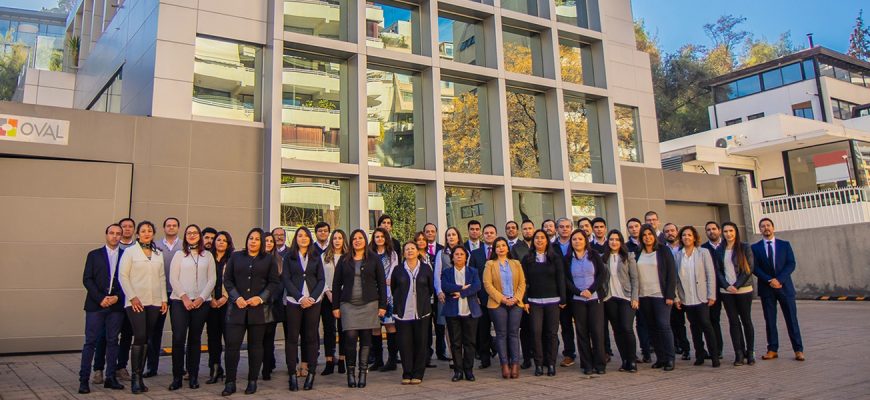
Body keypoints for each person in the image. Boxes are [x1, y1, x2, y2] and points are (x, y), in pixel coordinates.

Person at [221, 228, 280, 396]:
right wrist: (235, 297)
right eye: (250, 238)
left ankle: (252, 380)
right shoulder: (236, 256)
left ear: (261, 242)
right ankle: (230, 382)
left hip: (258, 311)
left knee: (255, 347)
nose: (253, 241)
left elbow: (273, 283)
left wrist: (260, 298)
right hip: (237, 310)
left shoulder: (268, 259)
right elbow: (227, 280)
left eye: (256, 239)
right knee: (232, 347)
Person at [332, 229, 387, 389]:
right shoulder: (344, 259)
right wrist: (335, 306)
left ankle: (362, 372)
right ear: (351, 241)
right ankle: (350, 372)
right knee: (349, 337)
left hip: (369, 304)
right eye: (354, 238)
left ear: (365, 240)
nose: (357, 241)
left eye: (360, 238)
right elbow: (336, 284)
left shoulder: (374, 259)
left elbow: (382, 283)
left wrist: (382, 305)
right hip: (348, 304)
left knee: (366, 339)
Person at [118, 221, 168, 394]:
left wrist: (164, 300)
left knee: (147, 337)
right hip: (136, 302)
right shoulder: (130, 252)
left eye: (150, 231)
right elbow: (123, 276)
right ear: (137, 234)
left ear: (153, 234)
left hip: (154, 302)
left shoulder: (157, 253)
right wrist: (132, 297)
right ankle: (135, 378)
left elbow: (161, 277)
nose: (147, 233)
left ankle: (140, 377)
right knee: (139, 336)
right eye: (143, 231)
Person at [78, 224, 126, 394]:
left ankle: (111, 377)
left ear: (122, 236)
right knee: (90, 342)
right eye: (111, 233)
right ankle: (84, 379)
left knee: (113, 341)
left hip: (116, 306)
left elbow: (129, 280)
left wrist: (117, 297)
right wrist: (101, 298)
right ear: (106, 235)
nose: (114, 236)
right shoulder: (94, 255)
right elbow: (87, 279)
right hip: (95, 305)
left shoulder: (126, 256)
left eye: (118, 234)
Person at [168, 224, 217, 390]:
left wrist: (202, 298)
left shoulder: (207, 255)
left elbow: (212, 279)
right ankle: (177, 377)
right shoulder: (179, 255)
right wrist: (184, 298)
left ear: (200, 236)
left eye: (195, 233)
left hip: (201, 303)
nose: (192, 235)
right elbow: (173, 278)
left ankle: (193, 375)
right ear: (185, 236)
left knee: (195, 339)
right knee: (179, 338)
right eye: (188, 233)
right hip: (180, 302)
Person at [751, 218, 804, 362]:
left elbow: (791, 264)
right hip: (767, 289)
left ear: (773, 228)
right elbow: (754, 267)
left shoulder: (784, 245)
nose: (766, 228)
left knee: (791, 319)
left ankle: (798, 349)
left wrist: (779, 280)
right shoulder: (755, 248)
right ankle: (772, 349)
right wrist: (769, 280)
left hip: (785, 287)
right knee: (770, 320)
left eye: (768, 225)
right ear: (760, 229)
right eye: (762, 226)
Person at [282, 227, 325, 391]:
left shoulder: (316, 257)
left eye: (306, 236)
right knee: (292, 338)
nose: (303, 238)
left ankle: (311, 373)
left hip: (313, 302)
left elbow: (321, 280)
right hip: (295, 301)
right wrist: (300, 298)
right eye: (300, 236)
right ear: (296, 238)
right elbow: (286, 279)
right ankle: (292, 374)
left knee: (311, 337)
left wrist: (312, 298)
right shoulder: (289, 257)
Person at [521, 230, 565, 377]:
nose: (539, 240)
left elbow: (561, 279)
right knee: (536, 332)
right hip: (534, 302)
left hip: (553, 301)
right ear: (533, 241)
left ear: (547, 241)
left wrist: (563, 299)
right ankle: (538, 364)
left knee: (551, 333)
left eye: (542, 238)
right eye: (537, 238)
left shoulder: (555, 258)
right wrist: (525, 300)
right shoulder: (527, 259)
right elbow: (524, 282)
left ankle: (551, 363)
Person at [674, 226, 720, 368]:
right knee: (694, 327)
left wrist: (711, 294)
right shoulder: (677, 255)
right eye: (684, 235)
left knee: (706, 325)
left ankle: (714, 356)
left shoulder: (703, 252)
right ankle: (699, 354)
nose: (686, 237)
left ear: (694, 237)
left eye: (689, 235)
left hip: (702, 297)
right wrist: (676, 297)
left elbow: (710, 274)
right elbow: (675, 279)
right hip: (687, 297)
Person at [391, 241, 436, 385]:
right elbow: (394, 288)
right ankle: (407, 373)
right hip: (403, 313)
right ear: (403, 253)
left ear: (418, 252)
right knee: (405, 344)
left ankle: (418, 373)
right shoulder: (398, 269)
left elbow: (430, 288)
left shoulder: (425, 268)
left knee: (421, 343)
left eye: (412, 248)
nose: (410, 251)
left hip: (421, 312)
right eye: (407, 249)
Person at [564, 229, 607, 375]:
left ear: (585, 240)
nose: (577, 241)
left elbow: (602, 274)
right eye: (574, 239)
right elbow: (566, 280)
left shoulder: (594, 255)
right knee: (582, 332)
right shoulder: (568, 258)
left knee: (596, 331)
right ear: (571, 242)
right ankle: (587, 364)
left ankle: (600, 364)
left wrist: (591, 290)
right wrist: (579, 292)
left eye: (580, 239)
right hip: (578, 300)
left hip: (594, 298)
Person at [635, 224, 677, 371]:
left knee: (663, 326)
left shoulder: (663, 250)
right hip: (644, 295)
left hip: (661, 295)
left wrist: (670, 295)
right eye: (644, 235)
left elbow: (671, 273)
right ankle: (661, 358)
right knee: (651, 327)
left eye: (650, 234)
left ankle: (670, 358)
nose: (647, 237)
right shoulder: (638, 252)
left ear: (654, 235)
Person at [483, 237, 526, 379]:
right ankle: (504, 364)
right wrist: (502, 299)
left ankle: (515, 364)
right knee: (501, 334)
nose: (501, 248)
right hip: (497, 304)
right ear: (494, 249)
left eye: (503, 245)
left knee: (513, 334)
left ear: (508, 248)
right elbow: (487, 285)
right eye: (498, 246)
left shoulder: (516, 263)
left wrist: (516, 298)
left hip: (515, 303)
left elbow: (522, 283)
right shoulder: (490, 264)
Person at [713, 222, 756, 366]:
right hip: (727, 292)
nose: (728, 234)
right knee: (733, 322)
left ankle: (750, 352)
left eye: (731, 231)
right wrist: (726, 286)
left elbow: (748, 269)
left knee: (746, 320)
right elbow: (718, 270)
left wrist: (737, 285)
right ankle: (738, 353)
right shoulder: (720, 249)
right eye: (725, 231)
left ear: (736, 232)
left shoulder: (744, 247)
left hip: (743, 290)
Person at [147, 217, 181, 378]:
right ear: (164, 228)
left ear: (178, 228)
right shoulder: (156, 246)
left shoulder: (184, 246)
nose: (171, 228)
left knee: (178, 331)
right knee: (155, 331)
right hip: (160, 293)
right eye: (168, 225)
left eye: (174, 225)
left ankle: (179, 368)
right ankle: (151, 367)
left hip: (178, 294)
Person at [441, 246, 481, 382]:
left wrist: (461, 293)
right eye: (456, 254)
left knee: (470, 343)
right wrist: (461, 288)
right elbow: (445, 286)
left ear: (466, 257)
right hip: (453, 313)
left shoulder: (473, 271)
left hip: (470, 312)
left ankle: (469, 370)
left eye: (461, 254)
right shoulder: (447, 272)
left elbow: (477, 286)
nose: (459, 256)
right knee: (455, 343)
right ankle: (458, 371)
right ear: (452, 257)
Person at [602, 229, 640, 373]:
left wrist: (635, 297)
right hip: (610, 298)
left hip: (626, 297)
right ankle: (624, 361)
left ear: (621, 242)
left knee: (627, 328)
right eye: (611, 239)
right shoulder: (603, 257)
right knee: (617, 330)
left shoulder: (628, 256)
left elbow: (635, 278)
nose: (614, 242)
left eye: (617, 239)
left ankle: (632, 360)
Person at [433, 227, 464, 367]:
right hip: (445, 295)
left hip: (461, 293)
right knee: (447, 325)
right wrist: (439, 291)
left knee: (461, 324)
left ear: (458, 237)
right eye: (448, 235)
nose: (451, 237)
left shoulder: (465, 252)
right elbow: (437, 275)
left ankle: (461, 354)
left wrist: (463, 291)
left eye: (453, 235)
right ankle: (452, 355)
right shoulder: (441, 253)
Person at [369, 228, 399, 372]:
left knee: (390, 326)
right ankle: (378, 360)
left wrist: (387, 281)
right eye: (376, 236)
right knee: (375, 327)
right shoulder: (370, 254)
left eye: (382, 236)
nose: (379, 239)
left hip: (388, 294)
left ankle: (392, 360)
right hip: (372, 294)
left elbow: (393, 272)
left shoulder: (392, 254)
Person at [206, 231, 233, 384]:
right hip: (210, 304)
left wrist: (224, 297)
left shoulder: (233, 259)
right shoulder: (207, 257)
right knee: (213, 338)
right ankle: (214, 369)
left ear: (228, 244)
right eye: (218, 240)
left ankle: (229, 370)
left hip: (227, 304)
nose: (221, 242)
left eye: (224, 240)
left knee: (229, 338)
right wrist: (210, 299)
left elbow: (234, 280)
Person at [469, 224, 497, 368]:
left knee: (501, 329)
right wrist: (475, 295)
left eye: (492, 233)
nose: (489, 235)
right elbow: (473, 277)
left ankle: (506, 357)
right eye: (486, 233)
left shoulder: (501, 252)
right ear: (482, 235)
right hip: (482, 298)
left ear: (496, 235)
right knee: (483, 330)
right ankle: (485, 359)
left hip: (499, 298)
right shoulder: (475, 254)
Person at [321, 229, 348, 376]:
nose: (337, 240)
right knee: (329, 330)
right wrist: (327, 292)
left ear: (344, 240)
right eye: (335, 238)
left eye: (340, 238)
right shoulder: (324, 256)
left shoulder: (348, 257)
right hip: (328, 296)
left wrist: (341, 293)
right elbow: (320, 277)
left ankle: (342, 360)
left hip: (344, 297)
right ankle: (329, 361)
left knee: (343, 329)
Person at [662, 222, 690, 361]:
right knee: (676, 323)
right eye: (667, 231)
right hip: (672, 291)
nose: (670, 233)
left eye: (672, 230)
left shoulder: (685, 248)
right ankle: (682, 348)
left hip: (688, 290)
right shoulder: (662, 250)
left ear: (677, 232)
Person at [625, 218, 650, 363]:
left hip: (648, 290)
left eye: (636, 226)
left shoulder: (649, 245)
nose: (634, 229)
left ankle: (650, 352)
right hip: (633, 292)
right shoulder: (626, 247)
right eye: (631, 227)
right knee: (634, 325)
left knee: (648, 322)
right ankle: (641, 351)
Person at [553, 218, 577, 368]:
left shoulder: (578, 243)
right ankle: (569, 353)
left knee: (583, 325)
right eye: (561, 227)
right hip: (560, 291)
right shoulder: (552, 246)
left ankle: (589, 351)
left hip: (578, 290)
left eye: (567, 227)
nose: (564, 229)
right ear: (556, 229)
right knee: (566, 324)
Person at [261, 233, 284, 381]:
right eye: (266, 240)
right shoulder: (256, 258)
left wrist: (271, 297)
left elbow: (280, 284)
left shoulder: (279, 260)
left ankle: (267, 367)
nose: (269, 243)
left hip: (273, 304)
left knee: (269, 337)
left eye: (271, 241)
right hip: (257, 304)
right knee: (258, 338)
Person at [512, 219, 535, 369]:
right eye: (524, 229)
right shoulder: (516, 248)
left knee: (540, 327)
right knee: (525, 328)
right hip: (523, 292)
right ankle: (527, 358)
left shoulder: (541, 244)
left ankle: (542, 355)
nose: (527, 231)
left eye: (529, 228)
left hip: (540, 291)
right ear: (521, 231)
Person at [701, 221, 725, 360]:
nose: (711, 232)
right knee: (713, 320)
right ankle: (717, 349)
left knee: (736, 320)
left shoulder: (727, 245)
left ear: (719, 230)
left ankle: (742, 349)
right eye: (708, 230)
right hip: (713, 290)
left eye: (714, 229)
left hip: (729, 288)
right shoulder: (703, 249)